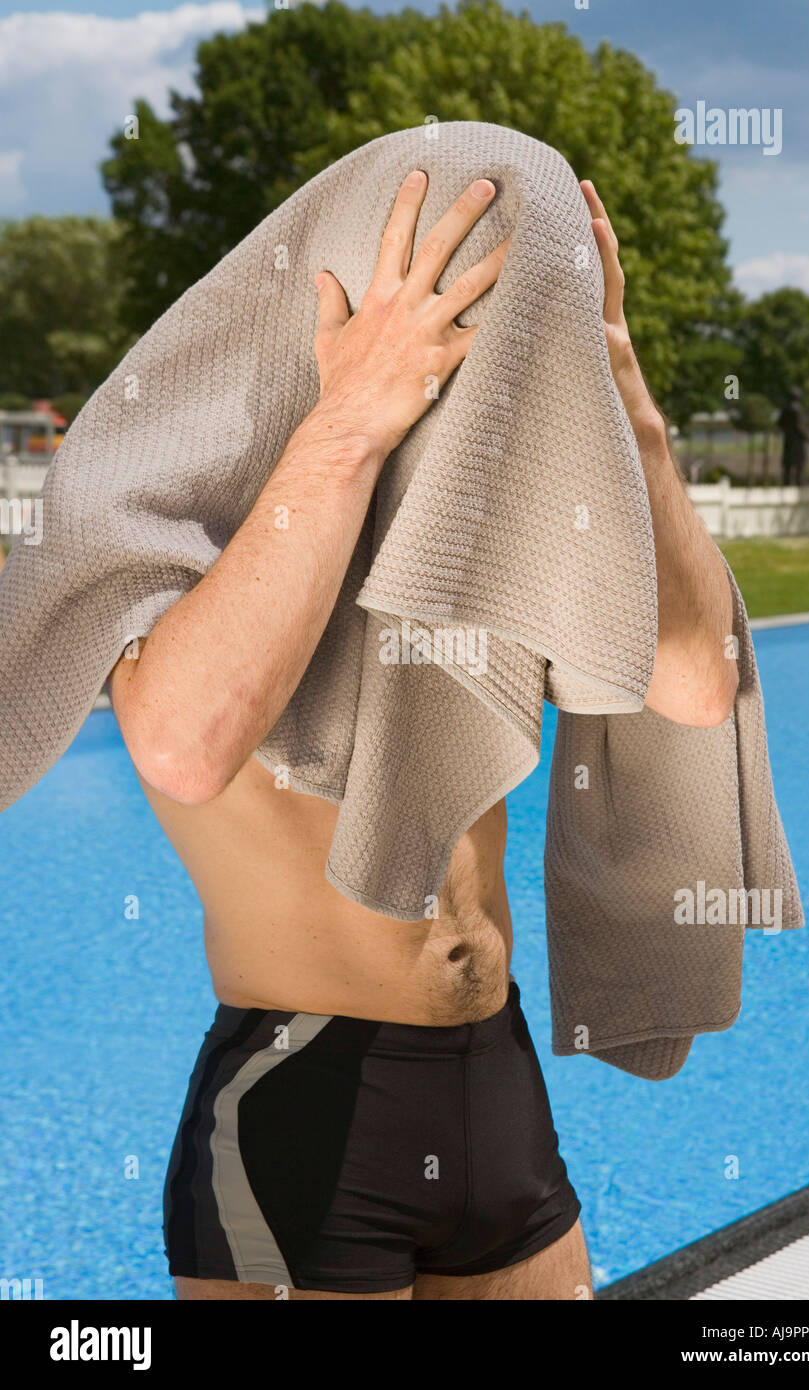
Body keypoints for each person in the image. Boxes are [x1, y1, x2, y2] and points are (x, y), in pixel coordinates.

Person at [107, 172, 739, 1301]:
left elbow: (695, 682)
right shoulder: (172, 539)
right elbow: (185, 745)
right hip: (304, 1102)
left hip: (494, 1081)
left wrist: (616, 378)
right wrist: (351, 416)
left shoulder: (454, 557)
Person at [778, 386, 809, 486]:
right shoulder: (798, 410)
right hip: (798, 441)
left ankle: (786, 484)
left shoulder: (785, 409)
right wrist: (808, 438)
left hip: (788, 440)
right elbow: (799, 427)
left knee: (788, 464)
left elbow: (779, 423)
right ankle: (798, 484)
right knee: (799, 464)